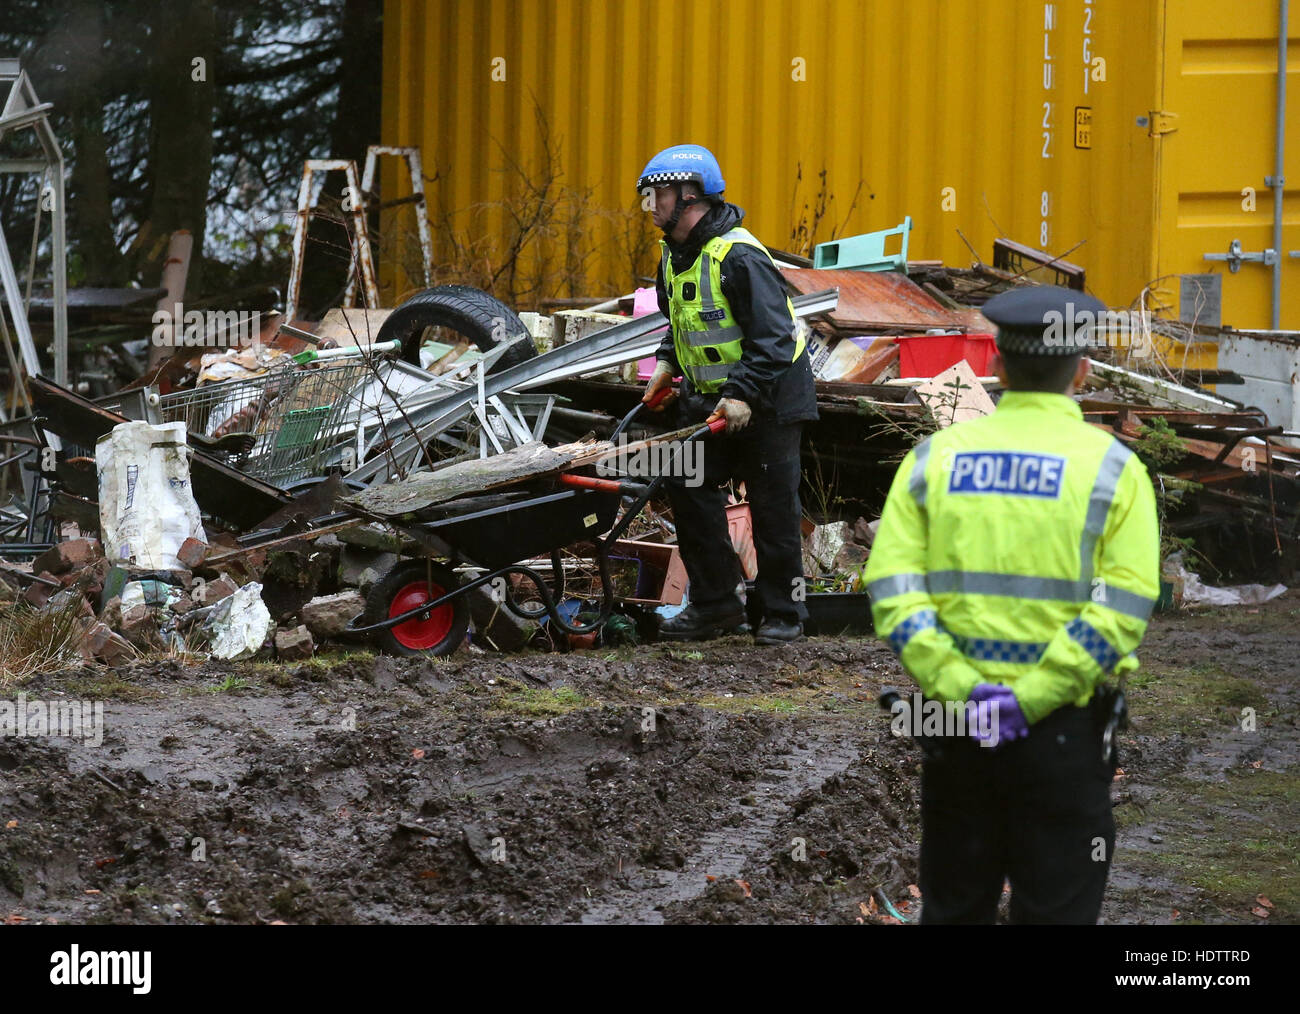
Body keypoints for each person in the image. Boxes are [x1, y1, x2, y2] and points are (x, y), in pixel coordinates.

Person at [862, 284, 1160, 924]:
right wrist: (1030, 699)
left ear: (995, 360)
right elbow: (1124, 606)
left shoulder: (933, 459)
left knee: (955, 908)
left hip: (958, 734)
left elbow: (892, 587)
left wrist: (961, 687)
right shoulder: (1114, 470)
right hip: (1062, 740)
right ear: (1081, 369)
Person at [636, 144, 818, 645]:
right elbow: (681, 321)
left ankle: (783, 615)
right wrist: (667, 365)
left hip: (772, 397)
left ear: (688, 195)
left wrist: (742, 394)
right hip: (712, 398)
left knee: (773, 506)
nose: (649, 206)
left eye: (656, 195)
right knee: (685, 478)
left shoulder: (738, 256)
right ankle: (717, 606)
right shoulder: (673, 257)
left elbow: (775, 338)